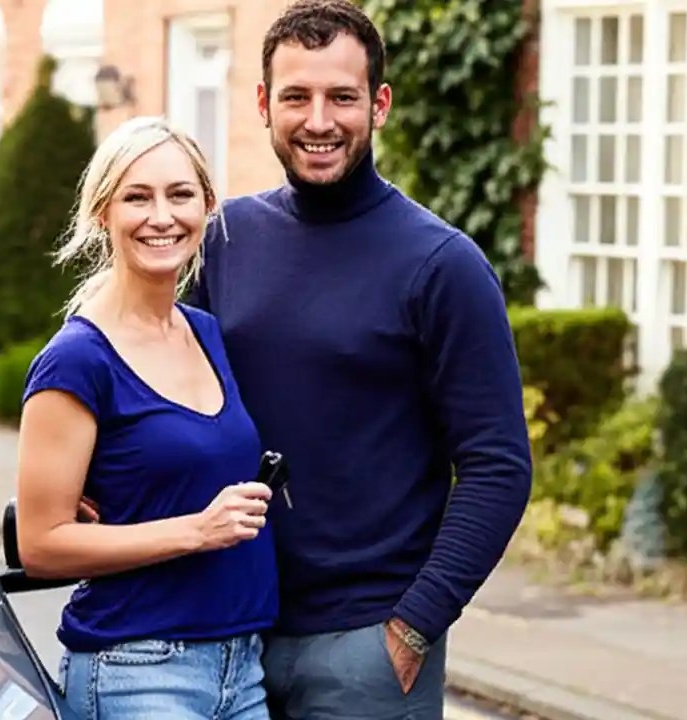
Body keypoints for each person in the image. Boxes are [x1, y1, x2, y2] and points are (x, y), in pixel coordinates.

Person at [189, 1, 535, 717]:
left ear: (378, 104)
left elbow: (498, 464)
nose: (319, 121)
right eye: (297, 97)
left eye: (341, 97)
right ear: (263, 104)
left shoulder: (442, 265)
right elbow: (161, 389)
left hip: (365, 648)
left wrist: (413, 627)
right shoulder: (224, 242)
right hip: (224, 633)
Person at [14, 115, 279, 719]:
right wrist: (196, 530)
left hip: (241, 670)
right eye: (138, 197)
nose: (162, 216)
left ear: (208, 207)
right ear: (103, 213)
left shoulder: (206, 333)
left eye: (180, 194)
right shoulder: (77, 360)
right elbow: (42, 545)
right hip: (137, 671)